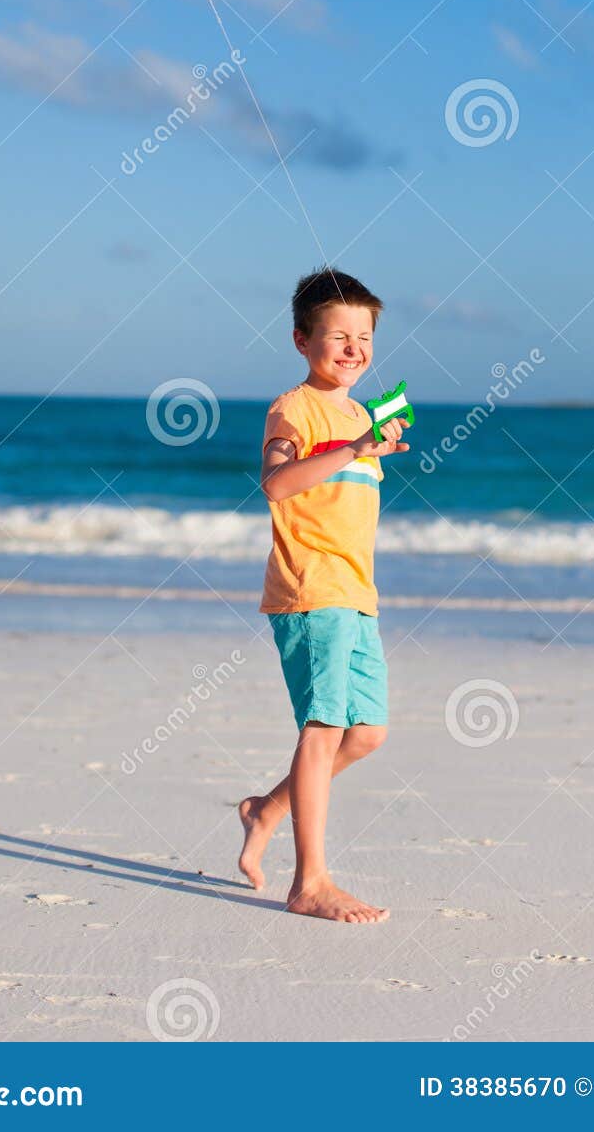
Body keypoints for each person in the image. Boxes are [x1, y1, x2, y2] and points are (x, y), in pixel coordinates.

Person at [237, 267, 409, 922]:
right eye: (335, 336)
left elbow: (340, 489)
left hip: (356, 591)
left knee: (366, 733)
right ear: (301, 341)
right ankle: (309, 881)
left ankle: (267, 809)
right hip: (312, 587)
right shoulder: (293, 408)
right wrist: (353, 447)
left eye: (362, 336)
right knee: (323, 726)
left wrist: (368, 443)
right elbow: (277, 484)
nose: (351, 349)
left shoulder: (360, 413)